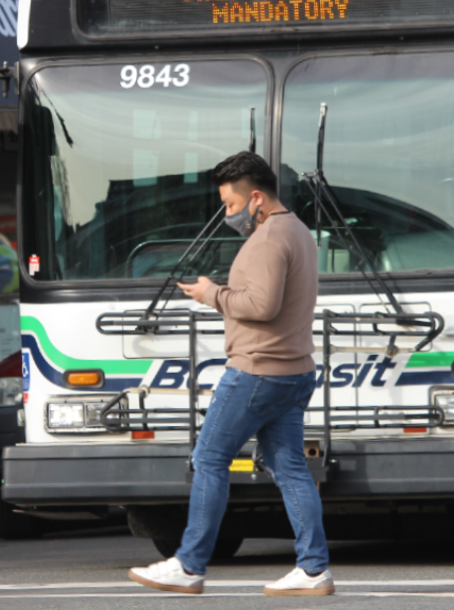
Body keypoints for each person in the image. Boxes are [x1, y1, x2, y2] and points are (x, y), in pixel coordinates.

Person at [128, 151, 333, 597]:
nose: (228, 214)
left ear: (256, 197)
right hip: (294, 371)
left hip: (256, 371)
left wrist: (211, 293)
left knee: (209, 459)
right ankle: (314, 569)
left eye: (232, 205)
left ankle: (189, 564)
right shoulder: (299, 231)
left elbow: (261, 306)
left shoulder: (267, 240)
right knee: (291, 468)